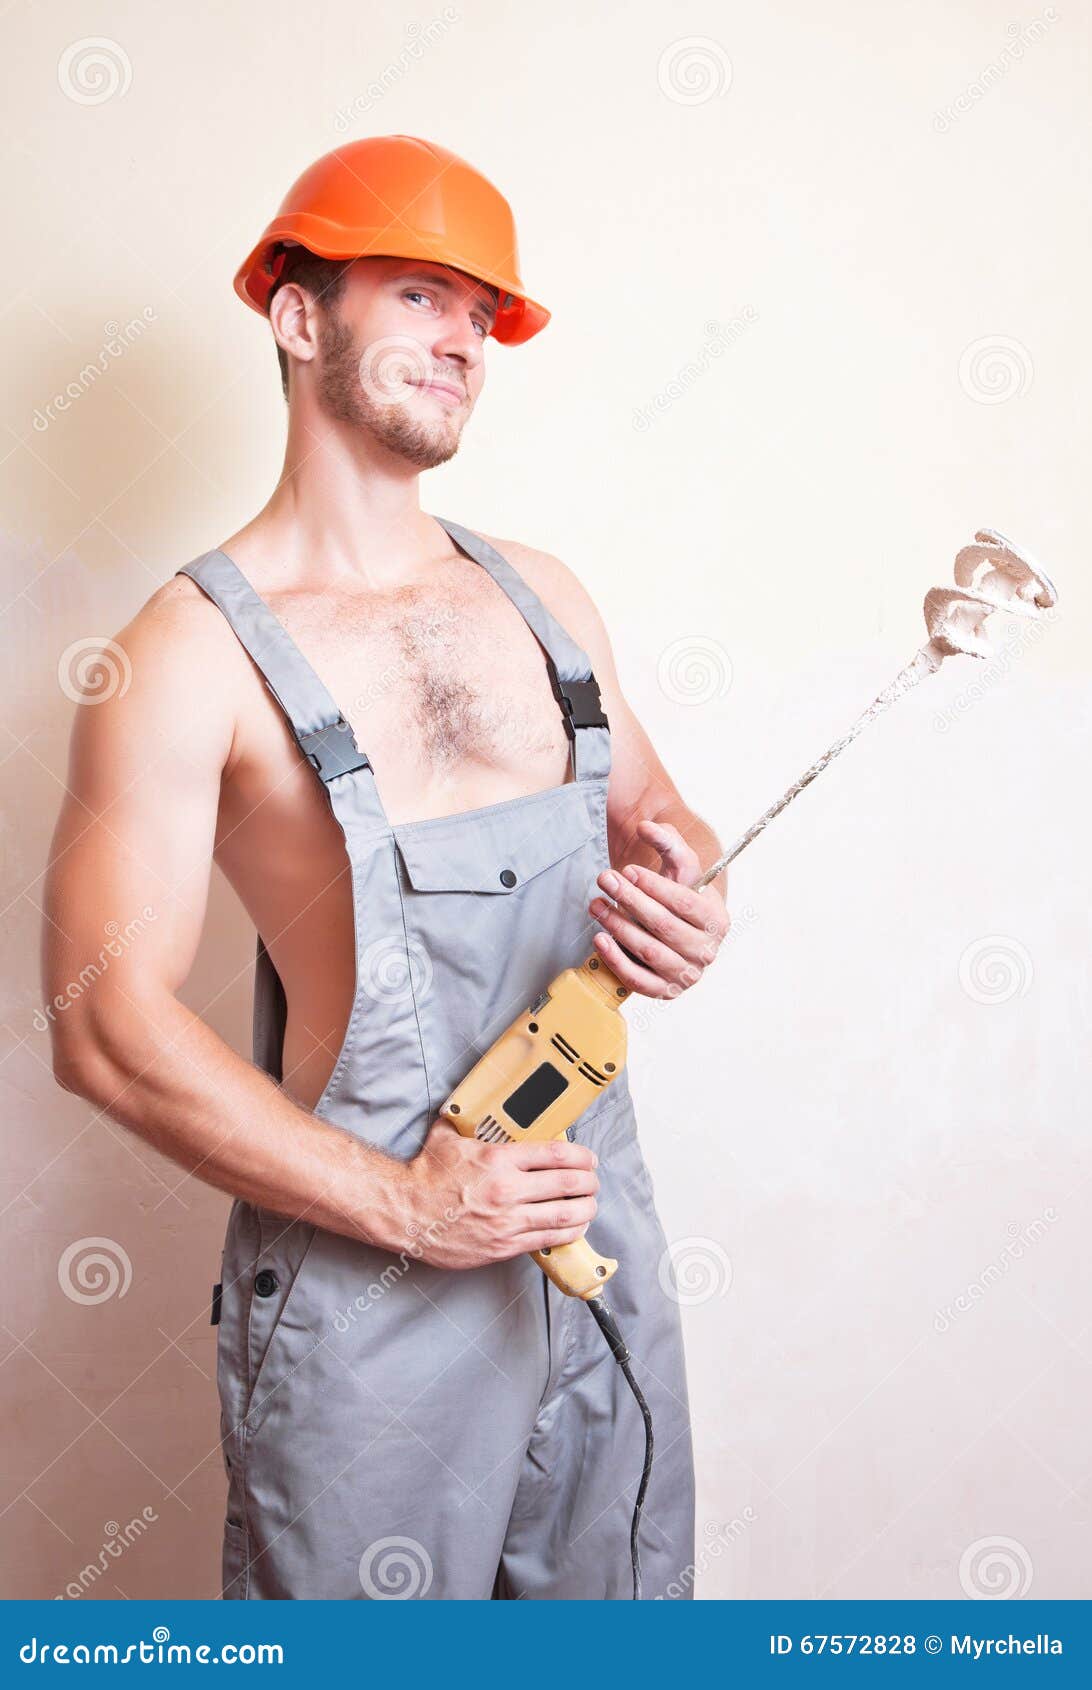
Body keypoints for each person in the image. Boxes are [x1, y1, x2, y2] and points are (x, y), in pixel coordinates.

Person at [43, 135, 731, 1600]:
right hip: (373, 1289)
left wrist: (693, 894)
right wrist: (412, 1206)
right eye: (422, 295)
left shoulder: (542, 596)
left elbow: (664, 825)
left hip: (593, 1235)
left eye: (483, 318)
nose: (464, 342)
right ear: (300, 316)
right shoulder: (187, 653)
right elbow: (103, 1023)